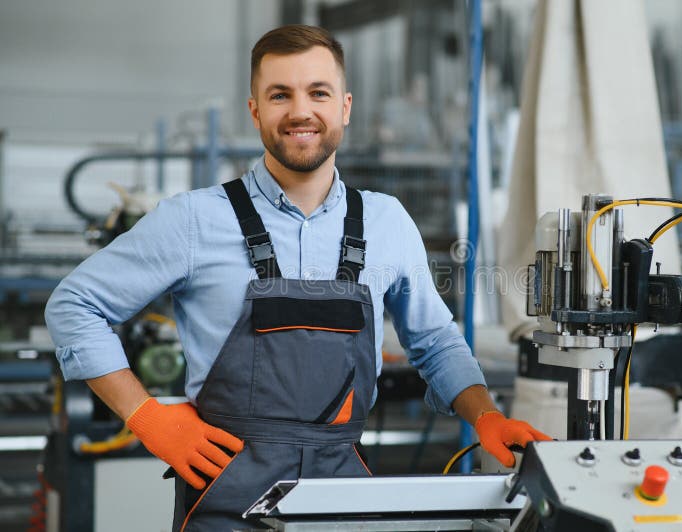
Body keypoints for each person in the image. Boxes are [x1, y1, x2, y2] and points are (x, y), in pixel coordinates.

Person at [45, 25, 550, 531]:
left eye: (318, 93)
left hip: (342, 496)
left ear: (345, 107)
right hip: (225, 497)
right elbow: (73, 305)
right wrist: (147, 418)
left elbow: (436, 340)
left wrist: (486, 415)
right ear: (255, 110)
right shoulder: (194, 220)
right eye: (280, 94)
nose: (300, 111)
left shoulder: (386, 221)